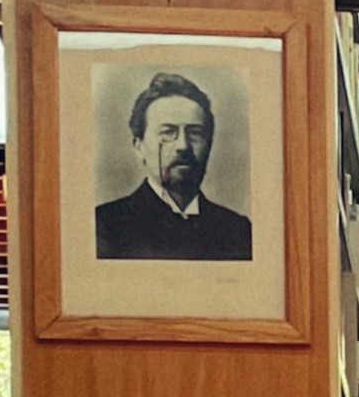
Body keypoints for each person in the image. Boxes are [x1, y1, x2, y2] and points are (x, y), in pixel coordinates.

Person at [95, 72, 253, 261]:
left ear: (209, 144)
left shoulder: (238, 230)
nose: (183, 146)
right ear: (139, 147)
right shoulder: (105, 225)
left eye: (194, 133)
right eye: (168, 132)